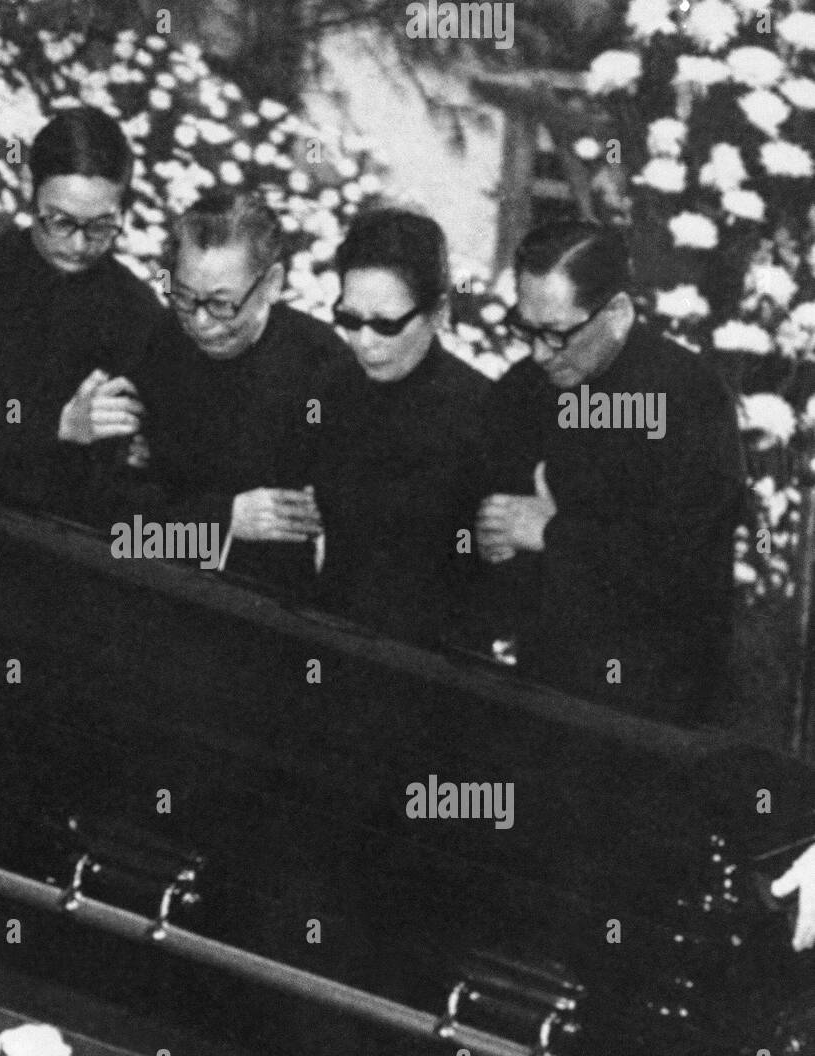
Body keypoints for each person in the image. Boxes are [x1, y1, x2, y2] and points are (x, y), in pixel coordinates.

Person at [475, 219, 746, 724]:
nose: (538, 353)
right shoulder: (522, 389)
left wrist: (553, 533)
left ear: (618, 312)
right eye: (526, 329)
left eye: (557, 334)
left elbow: (688, 573)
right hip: (530, 681)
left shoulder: (691, 400)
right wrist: (489, 534)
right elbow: (482, 508)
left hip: (648, 703)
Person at [0, 106, 166, 521]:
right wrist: (58, 427)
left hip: (73, 545)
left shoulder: (138, 312)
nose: (79, 246)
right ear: (29, 184)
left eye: (101, 226)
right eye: (60, 221)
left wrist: (147, 453)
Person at [104, 188, 356, 595]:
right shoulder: (157, 344)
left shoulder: (325, 370)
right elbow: (118, 531)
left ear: (272, 283)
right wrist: (224, 522)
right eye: (184, 298)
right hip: (146, 587)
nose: (201, 322)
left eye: (223, 304)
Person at [313, 206, 490, 646]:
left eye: (387, 324)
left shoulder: (485, 413)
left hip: (437, 672)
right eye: (350, 319)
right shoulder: (326, 389)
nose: (365, 342)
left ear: (438, 312)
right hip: (328, 648)